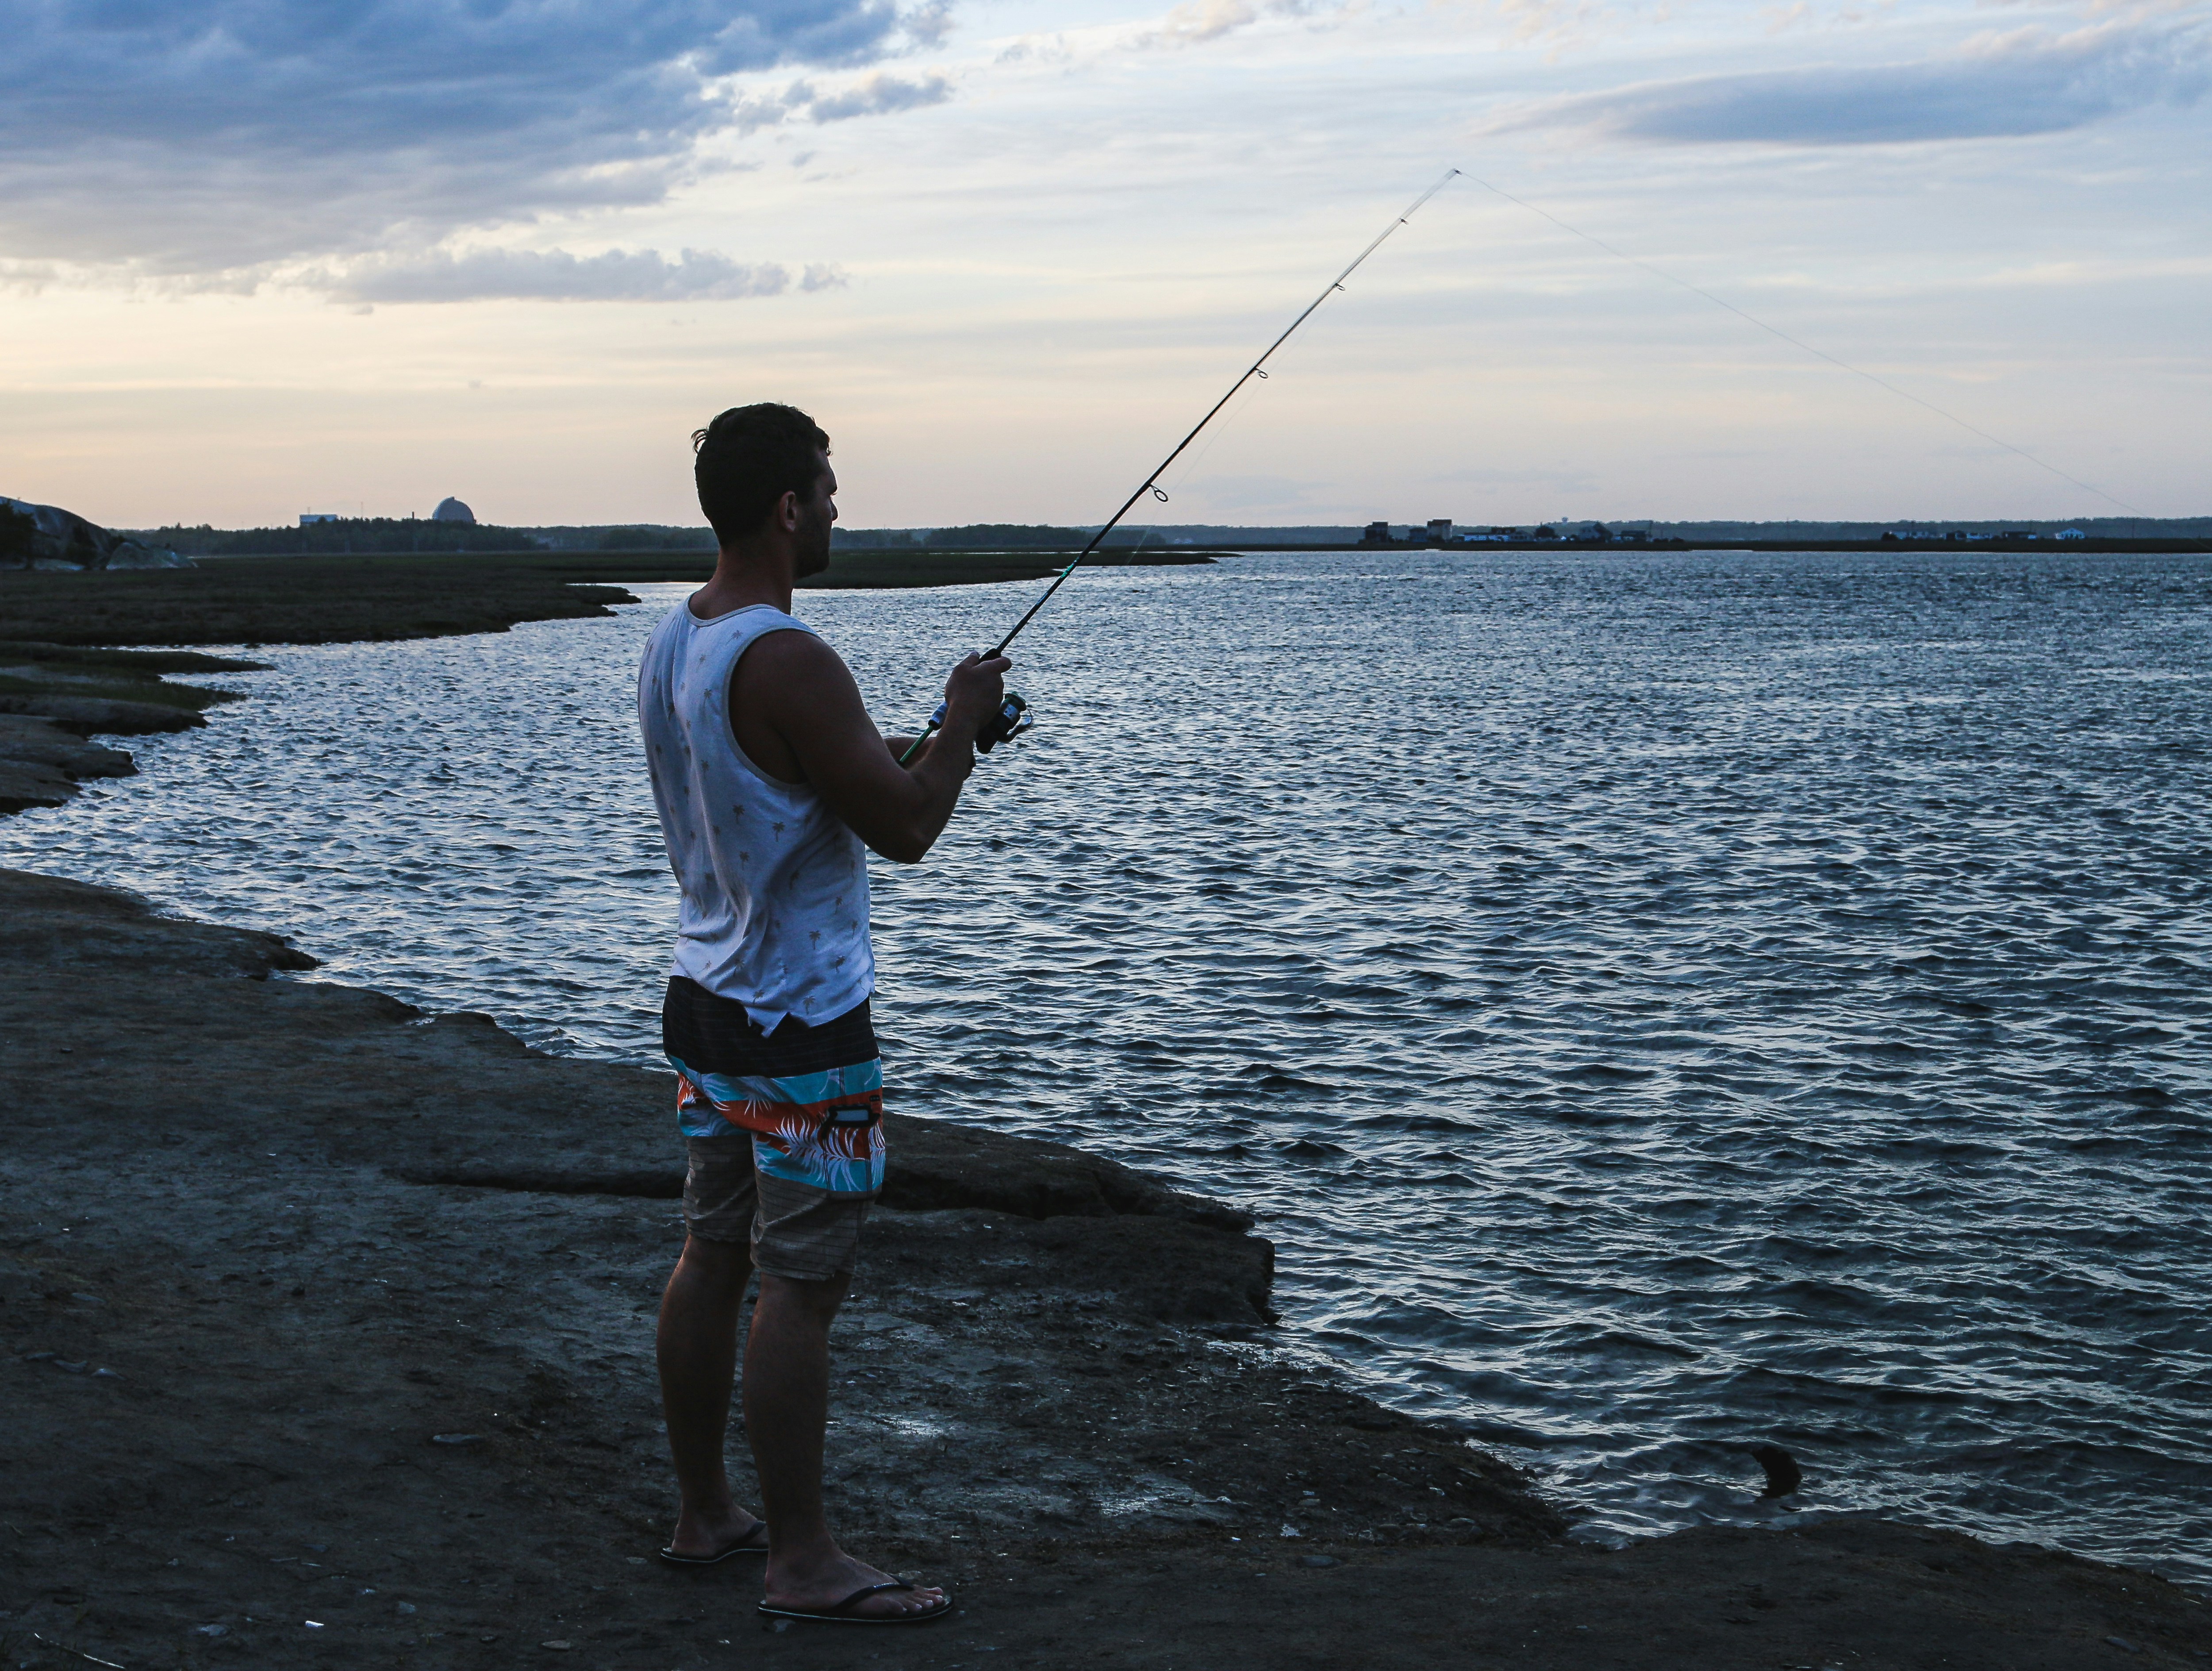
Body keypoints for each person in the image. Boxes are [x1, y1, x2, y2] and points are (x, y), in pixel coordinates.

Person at [637, 402, 1007, 1626]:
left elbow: (791, 792)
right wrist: (957, 724)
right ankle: (802, 1563)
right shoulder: (790, 658)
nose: (841, 509)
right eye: (830, 489)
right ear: (788, 508)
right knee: (798, 1283)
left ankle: (707, 1516)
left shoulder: (676, 640)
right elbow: (903, 828)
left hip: (708, 1000)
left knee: (712, 1250)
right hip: (802, 1022)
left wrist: (926, 744)